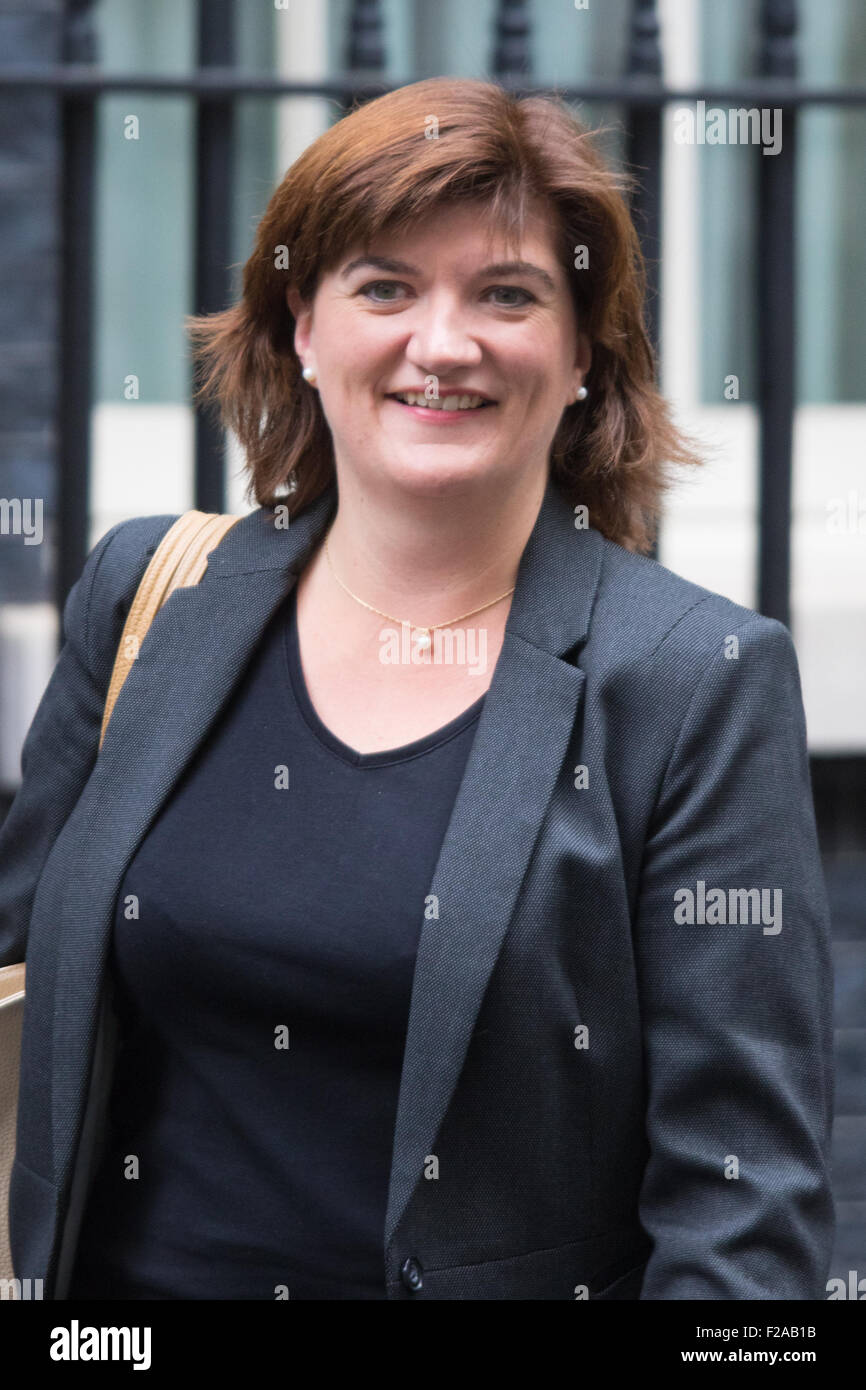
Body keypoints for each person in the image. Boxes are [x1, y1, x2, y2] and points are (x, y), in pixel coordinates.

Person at [1, 77, 833, 1301]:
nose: (441, 345)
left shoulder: (690, 681)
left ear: (582, 357)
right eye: (383, 286)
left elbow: (742, 1209)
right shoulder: (149, 598)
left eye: (506, 295)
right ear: (301, 325)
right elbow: (21, 959)